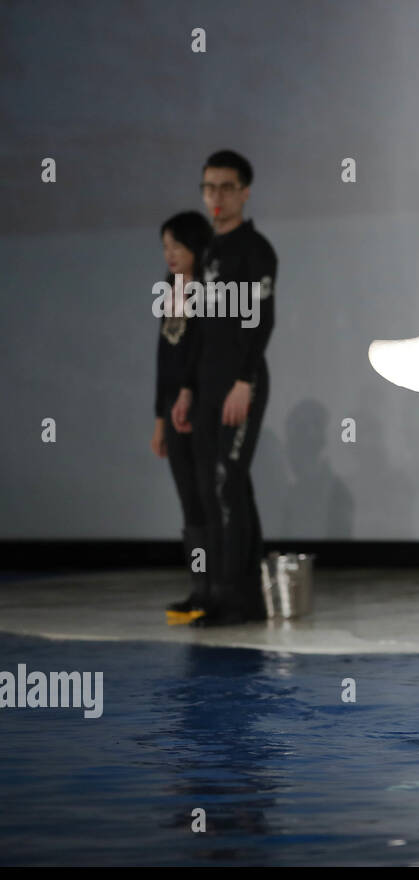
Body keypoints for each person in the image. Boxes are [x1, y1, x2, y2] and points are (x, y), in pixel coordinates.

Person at [171, 150, 277, 627]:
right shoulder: (208, 251)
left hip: (241, 383)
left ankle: (238, 598)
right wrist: (188, 388)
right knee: (215, 489)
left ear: (245, 191)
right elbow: (198, 329)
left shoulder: (255, 250)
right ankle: (220, 590)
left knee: (226, 483)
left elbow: (261, 321)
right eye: (208, 187)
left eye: (226, 187)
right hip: (208, 383)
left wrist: (244, 381)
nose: (216, 196)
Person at [152, 211, 214, 623]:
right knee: (189, 503)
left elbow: (204, 357)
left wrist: (191, 398)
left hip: (202, 406)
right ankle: (198, 588)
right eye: (165, 247)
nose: (170, 254)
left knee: (209, 499)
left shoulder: (211, 292)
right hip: (172, 410)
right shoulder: (168, 291)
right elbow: (164, 361)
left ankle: (219, 590)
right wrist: (160, 418)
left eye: (177, 245)